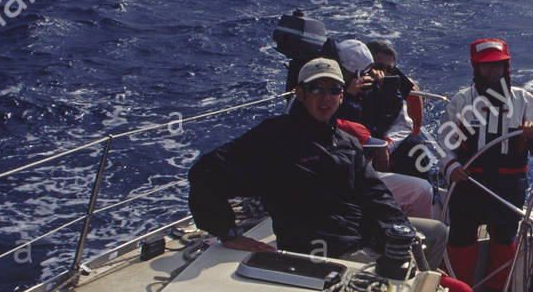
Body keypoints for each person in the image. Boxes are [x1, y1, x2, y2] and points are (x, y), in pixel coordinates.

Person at [188, 57, 447, 270]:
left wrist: (395, 227)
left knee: (436, 233)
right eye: (316, 89)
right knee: (409, 275)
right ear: (300, 94)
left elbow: (375, 193)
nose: (326, 98)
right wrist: (228, 233)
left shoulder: (344, 141)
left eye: (334, 90)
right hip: (324, 251)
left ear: (342, 96)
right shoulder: (273, 137)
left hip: (361, 232)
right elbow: (205, 173)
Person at [441, 38, 533, 292]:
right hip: (469, 187)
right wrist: (451, 166)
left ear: (507, 66)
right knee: (459, 244)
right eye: (486, 67)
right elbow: (442, 144)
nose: (493, 72)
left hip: (508, 188)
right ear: (475, 68)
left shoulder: (526, 102)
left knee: (504, 246)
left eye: (498, 66)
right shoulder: (461, 102)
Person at [333, 38, 431, 178]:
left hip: (380, 146)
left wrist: (384, 146)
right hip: (352, 149)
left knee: (415, 146)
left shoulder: (392, 89)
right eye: (379, 67)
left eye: (389, 69)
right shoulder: (341, 89)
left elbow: (403, 124)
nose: (383, 73)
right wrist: (350, 97)